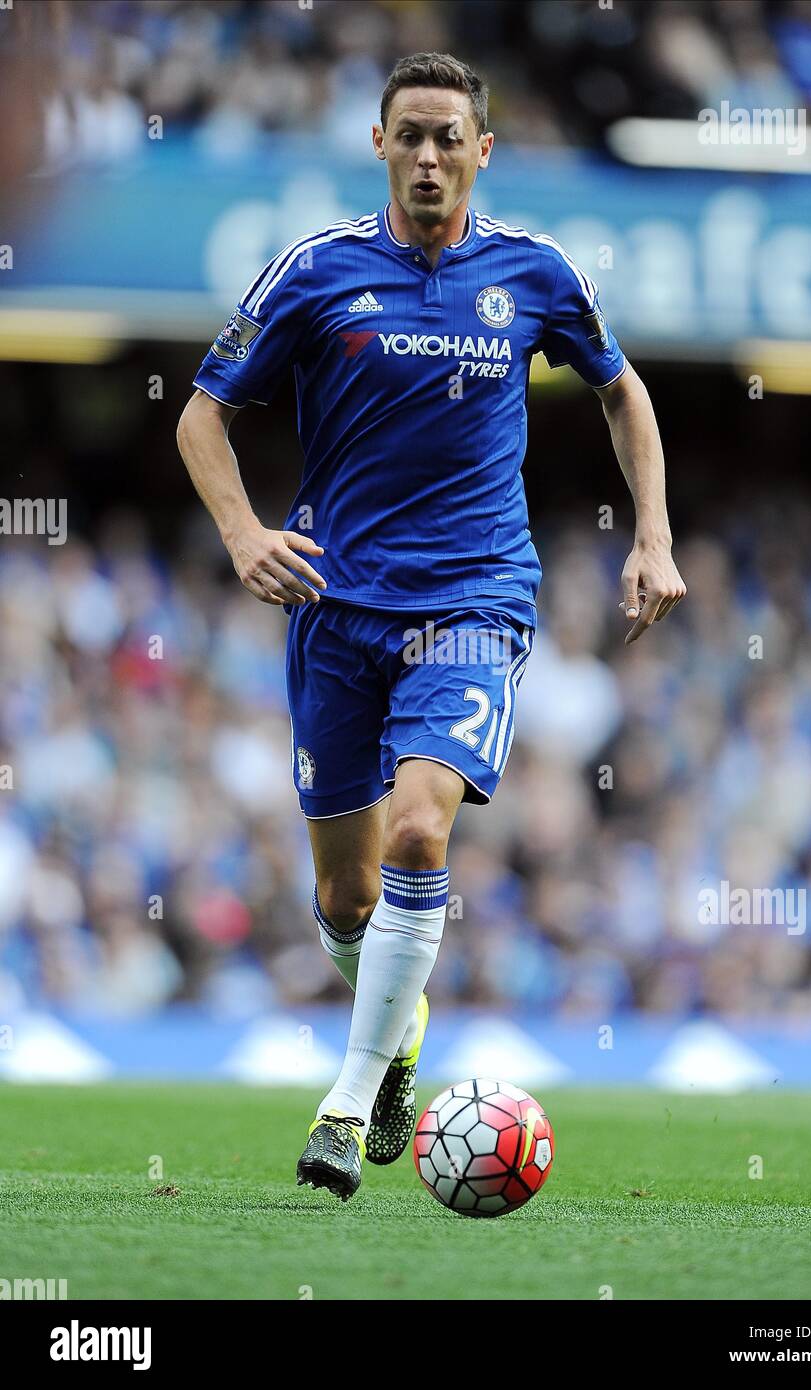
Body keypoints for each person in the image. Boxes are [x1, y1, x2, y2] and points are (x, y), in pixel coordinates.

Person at [177, 51, 686, 1201]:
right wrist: (244, 534)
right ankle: (397, 1034)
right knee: (347, 898)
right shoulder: (314, 273)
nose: (426, 156)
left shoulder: (534, 273)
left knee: (419, 833)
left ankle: (344, 1108)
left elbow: (620, 387)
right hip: (333, 607)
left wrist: (651, 534)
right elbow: (203, 417)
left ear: (481, 151)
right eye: (407, 134)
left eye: (447, 137)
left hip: (472, 603)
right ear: (376, 144)